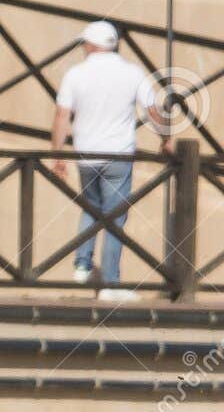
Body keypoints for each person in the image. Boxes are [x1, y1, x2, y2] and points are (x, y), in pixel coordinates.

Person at [50, 20, 172, 303]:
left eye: (84, 43)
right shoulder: (133, 72)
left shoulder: (75, 73)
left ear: (91, 45)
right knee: (115, 217)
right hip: (119, 154)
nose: (83, 47)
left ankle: (82, 265)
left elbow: (61, 116)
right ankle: (109, 282)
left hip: (85, 153)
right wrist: (166, 138)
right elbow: (153, 110)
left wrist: (57, 154)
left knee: (90, 208)